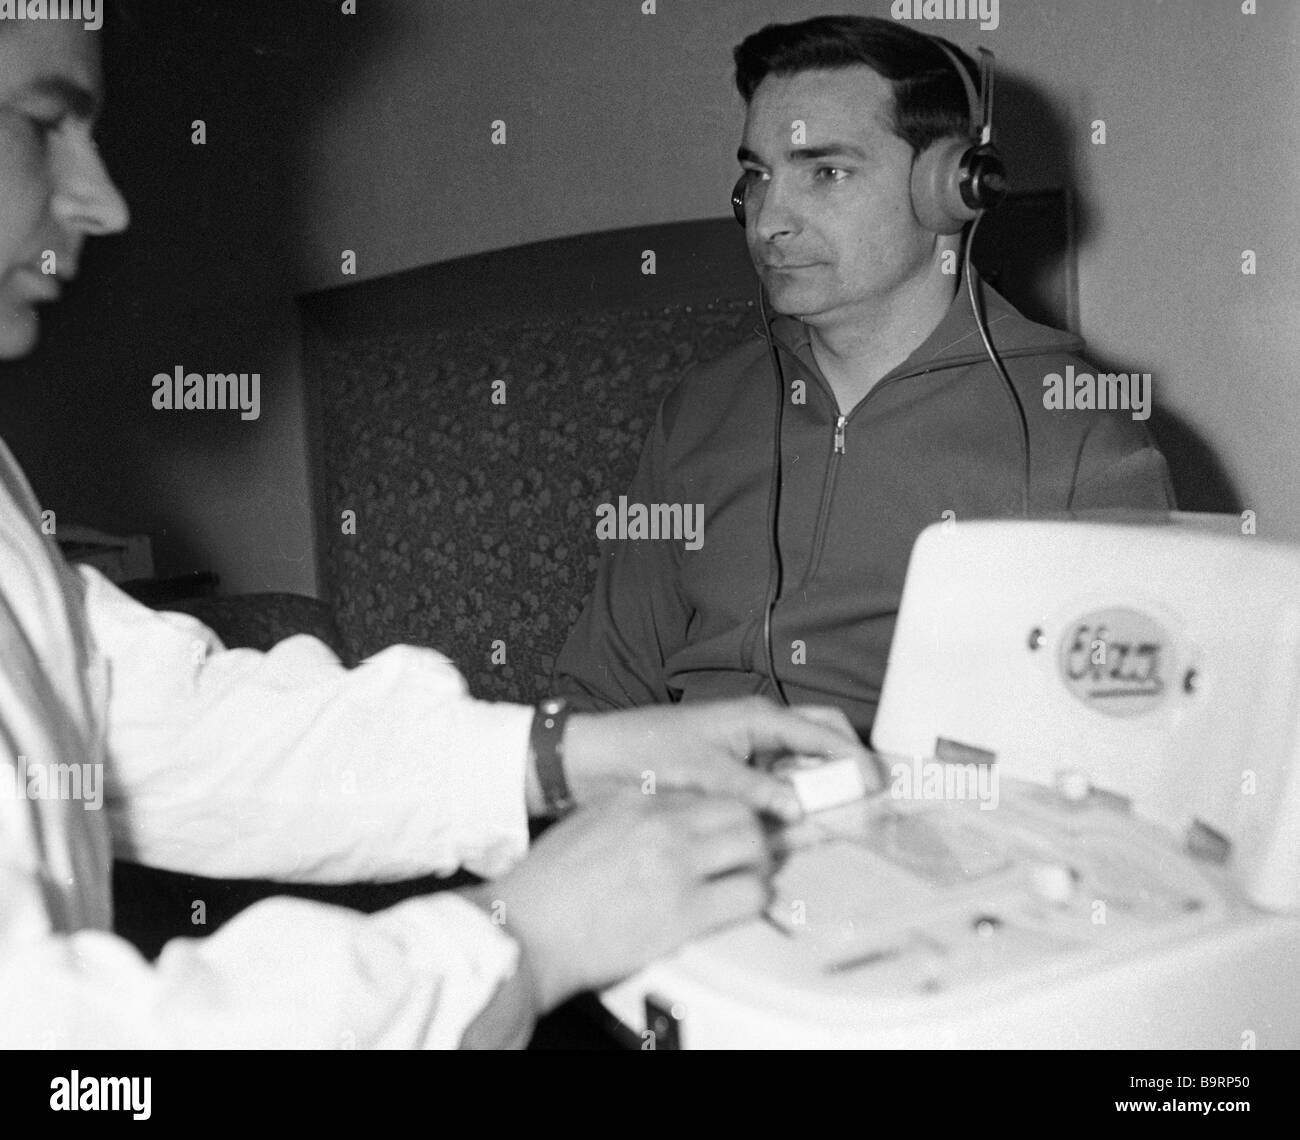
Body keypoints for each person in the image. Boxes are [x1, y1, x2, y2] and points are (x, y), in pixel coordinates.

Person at [0, 15, 870, 1049]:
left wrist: (561, 758)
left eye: (824, 172)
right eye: (44, 118)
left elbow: (128, 710)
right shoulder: (701, 415)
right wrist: (518, 938)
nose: (102, 198)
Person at [554, 15, 1175, 738]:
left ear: (949, 189)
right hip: (684, 824)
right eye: (757, 176)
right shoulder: (703, 406)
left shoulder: (1081, 435)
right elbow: (604, 689)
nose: (767, 222)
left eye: (825, 172)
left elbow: (1116, 747)